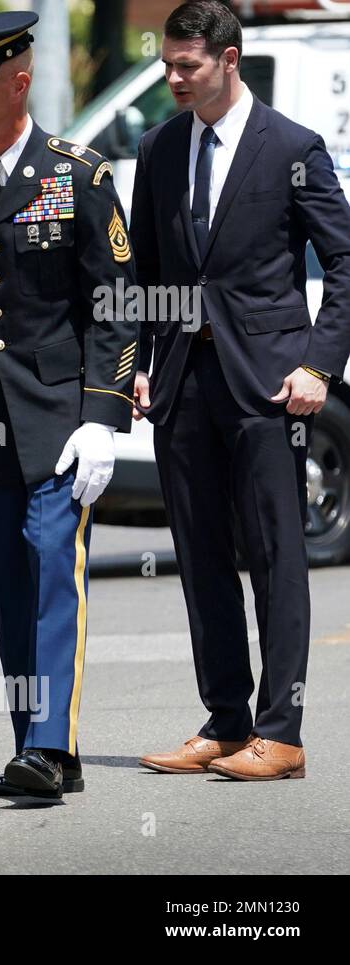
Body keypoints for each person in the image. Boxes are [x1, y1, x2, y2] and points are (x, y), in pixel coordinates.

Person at [0, 11, 139, 799]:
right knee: (8, 582)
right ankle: (38, 748)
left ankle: (47, 745)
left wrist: (103, 419)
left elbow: (114, 307)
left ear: (18, 80)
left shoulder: (78, 174)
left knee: (49, 567)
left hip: (56, 423)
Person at [133, 2, 350, 781]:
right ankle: (225, 721)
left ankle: (281, 732)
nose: (173, 78)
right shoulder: (158, 149)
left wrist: (319, 364)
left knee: (276, 555)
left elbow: (345, 262)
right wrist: (141, 359)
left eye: (187, 65)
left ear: (230, 61)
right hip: (183, 385)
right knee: (199, 555)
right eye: (167, 63)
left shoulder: (292, 147)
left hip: (268, 388)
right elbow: (148, 272)